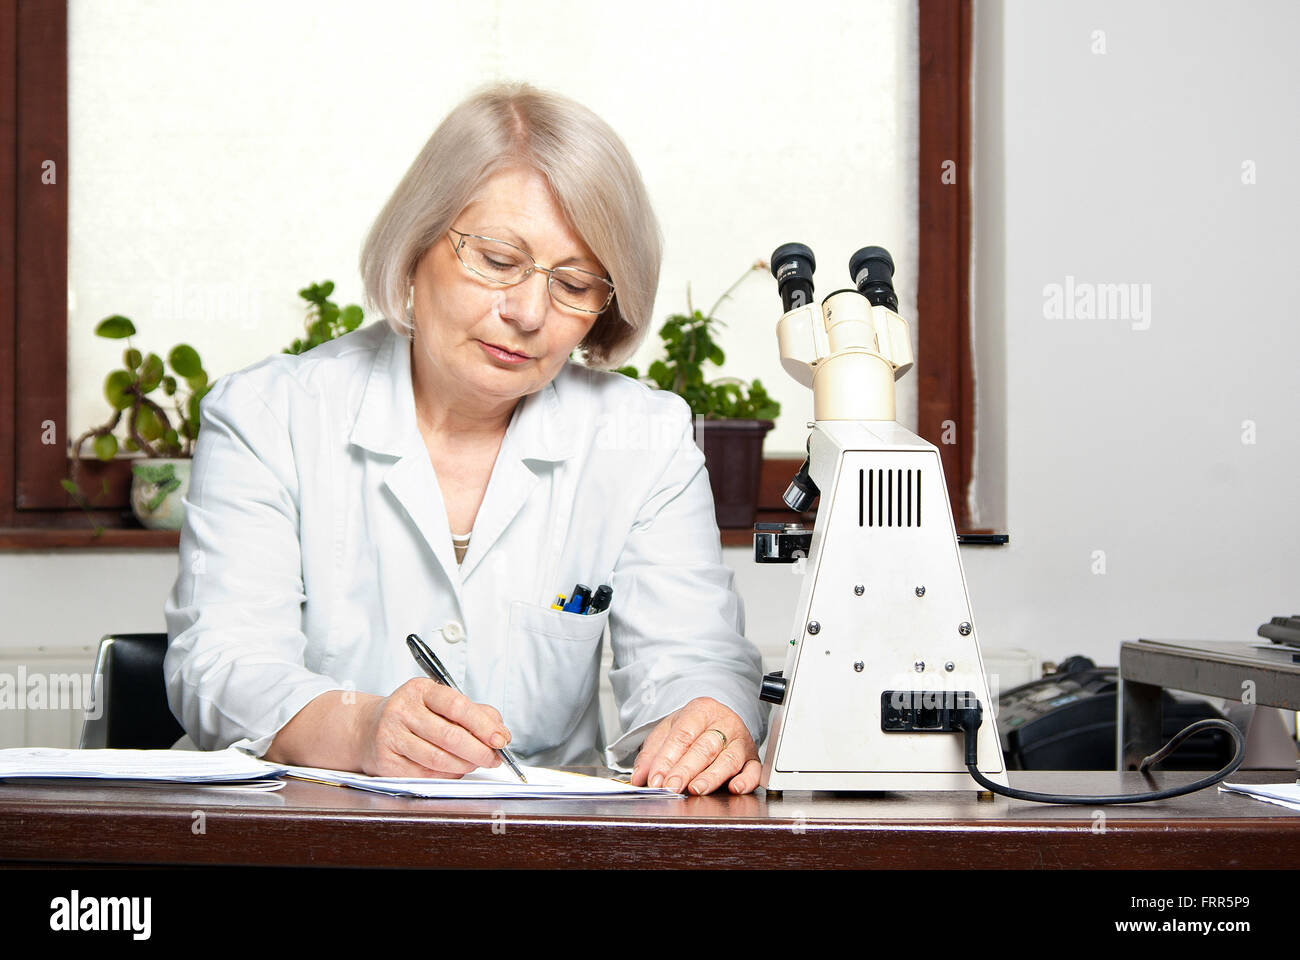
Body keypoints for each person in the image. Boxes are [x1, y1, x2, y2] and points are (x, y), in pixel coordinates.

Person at [163, 82, 769, 796]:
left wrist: (704, 719)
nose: (528, 311)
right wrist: (360, 728)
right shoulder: (270, 415)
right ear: (417, 243)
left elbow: (693, 657)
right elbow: (221, 662)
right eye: (498, 260)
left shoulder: (644, 438)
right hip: (312, 835)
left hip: (545, 848)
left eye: (574, 285)